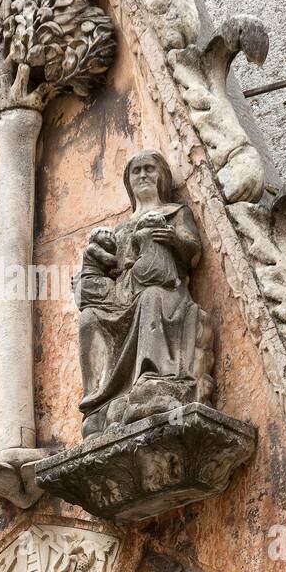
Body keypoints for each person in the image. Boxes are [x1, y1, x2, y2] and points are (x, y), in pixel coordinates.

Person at [76, 151, 214, 436]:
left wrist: (174, 239)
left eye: (149, 169)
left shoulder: (175, 212)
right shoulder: (122, 227)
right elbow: (111, 264)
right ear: (129, 182)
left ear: (161, 175)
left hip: (164, 289)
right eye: (136, 171)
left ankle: (152, 378)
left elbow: (194, 254)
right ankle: (99, 404)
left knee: (150, 297)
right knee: (89, 318)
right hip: (123, 293)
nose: (142, 175)